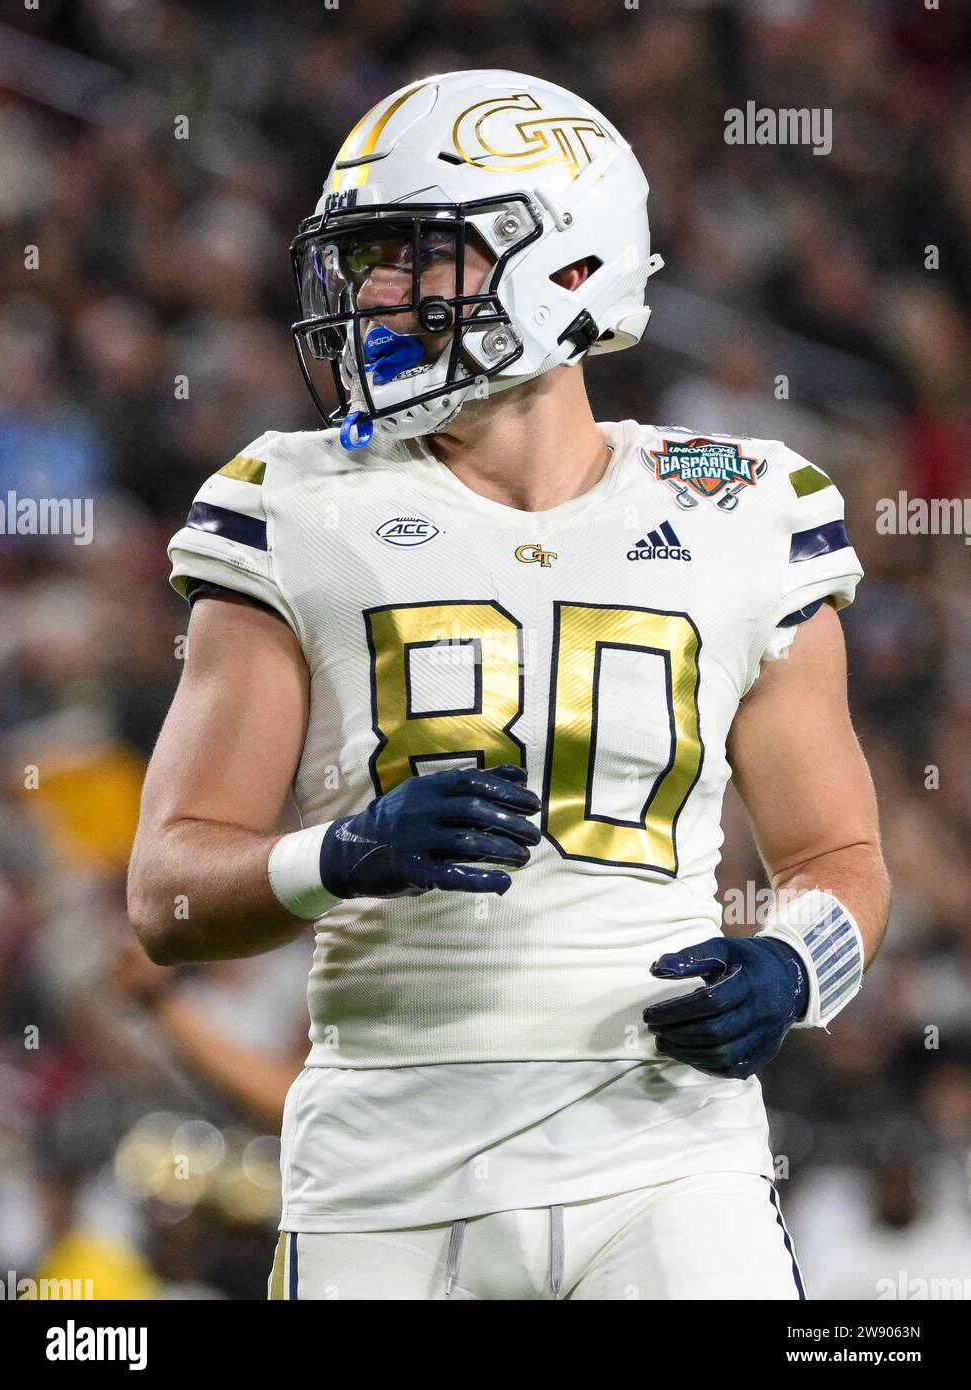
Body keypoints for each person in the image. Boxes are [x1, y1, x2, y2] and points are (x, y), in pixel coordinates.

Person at [127, 69, 890, 1301]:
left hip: (666, 1151)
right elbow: (165, 893)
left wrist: (797, 966)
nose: (372, 296)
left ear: (569, 269)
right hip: (385, 1159)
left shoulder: (744, 503)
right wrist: (345, 853)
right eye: (364, 261)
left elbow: (840, 851)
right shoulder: (291, 499)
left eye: (417, 256)